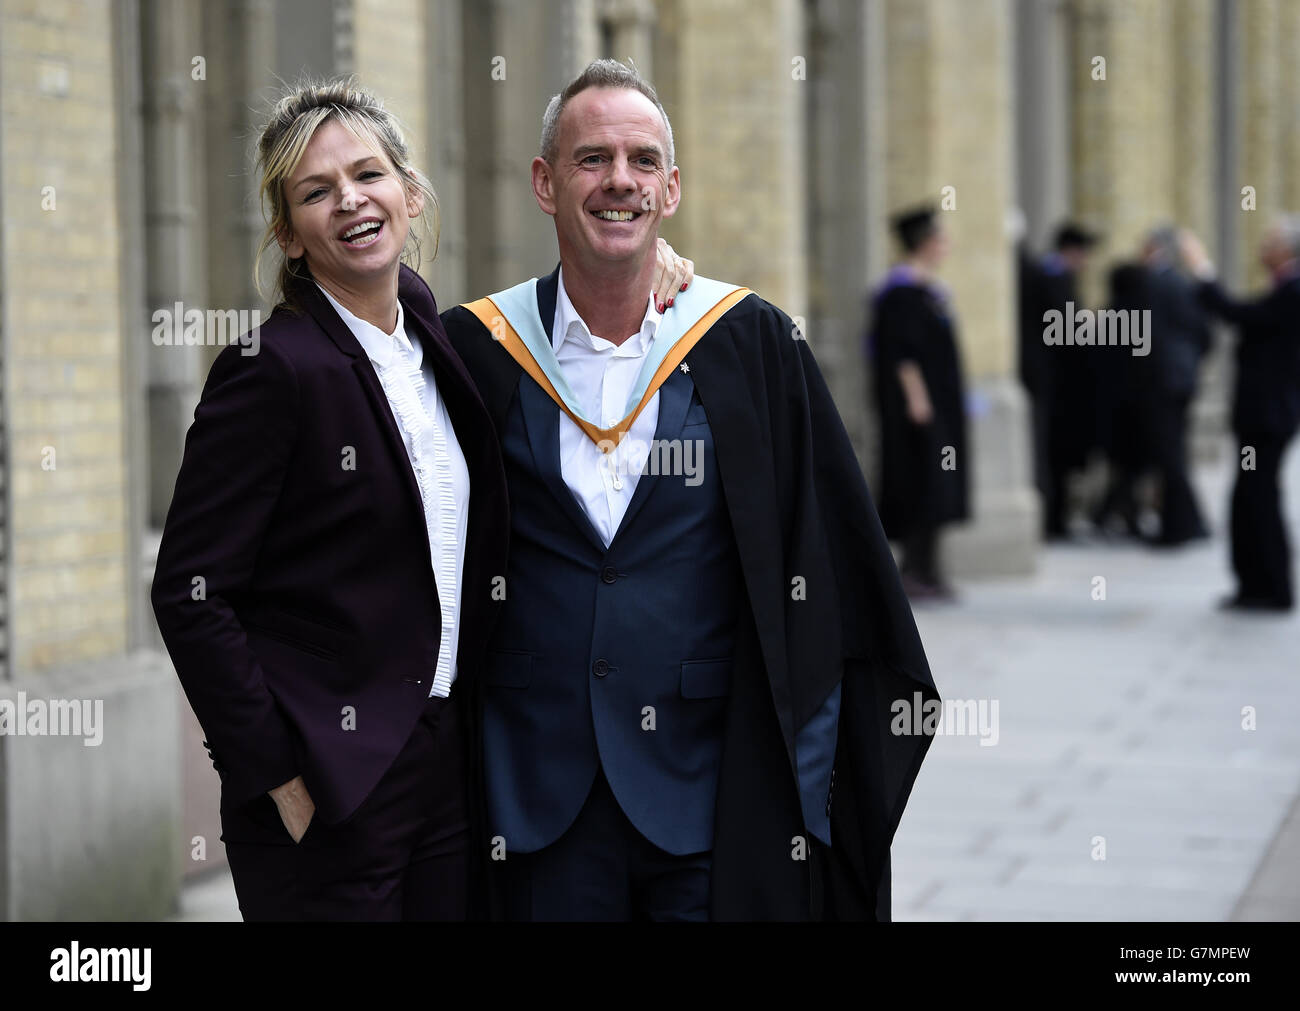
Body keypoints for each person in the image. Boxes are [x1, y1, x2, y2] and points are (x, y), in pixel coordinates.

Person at [149, 79, 693, 920]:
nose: (351, 202)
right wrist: (274, 776)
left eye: (368, 176)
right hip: (329, 783)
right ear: (290, 234)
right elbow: (190, 593)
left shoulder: (438, 336)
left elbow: (575, 305)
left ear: (409, 192)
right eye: (316, 192)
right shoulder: (272, 366)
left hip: (450, 770)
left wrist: (645, 255)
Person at [441, 59, 938, 921]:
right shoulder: (475, 349)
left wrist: (814, 791)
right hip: (532, 797)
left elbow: (828, 566)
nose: (618, 181)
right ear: (543, 181)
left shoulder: (748, 347)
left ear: (671, 189)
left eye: (641, 162)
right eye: (591, 159)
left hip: (710, 797)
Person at [1181, 221, 1300, 611]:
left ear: (1286, 250)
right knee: (1250, 496)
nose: (1261, 250)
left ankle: (1272, 588)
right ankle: (1256, 585)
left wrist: (1202, 269)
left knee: (1258, 495)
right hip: (1263, 417)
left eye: (1268, 243)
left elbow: (1239, 313)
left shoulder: (1292, 290)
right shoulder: (1285, 288)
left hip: (1267, 418)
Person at [869, 206, 969, 598]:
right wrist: (917, 399)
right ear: (925, 243)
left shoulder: (930, 291)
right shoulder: (899, 293)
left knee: (940, 483)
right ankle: (912, 570)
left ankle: (930, 568)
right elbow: (901, 355)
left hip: (941, 404)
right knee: (919, 481)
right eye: (941, 239)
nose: (946, 246)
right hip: (917, 408)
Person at [1026, 222, 1099, 538]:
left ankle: (1056, 518)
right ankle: (1052, 520)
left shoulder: (1053, 276)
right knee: (1054, 450)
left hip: (1056, 381)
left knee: (1057, 451)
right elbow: (1066, 330)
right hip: (1054, 381)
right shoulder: (1053, 277)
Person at [1141, 226, 1211, 545]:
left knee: (1169, 455)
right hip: (1182, 377)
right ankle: (1191, 521)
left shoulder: (1155, 282)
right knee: (1175, 452)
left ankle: (1179, 527)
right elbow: (1205, 335)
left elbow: (1145, 334)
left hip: (1162, 379)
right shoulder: (1183, 283)